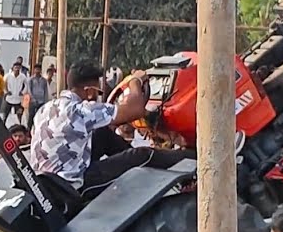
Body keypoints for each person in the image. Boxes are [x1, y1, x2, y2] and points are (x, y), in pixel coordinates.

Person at [31, 62, 188, 192]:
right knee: (140, 155)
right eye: (98, 92)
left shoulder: (44, 109)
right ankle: (190, 158)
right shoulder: (80, 111)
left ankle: (144, 172)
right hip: (72, 187)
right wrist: (135, 81)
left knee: (103, 134)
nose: (97, 97)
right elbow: (136, 110)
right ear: (89, 91)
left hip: (48, 182)